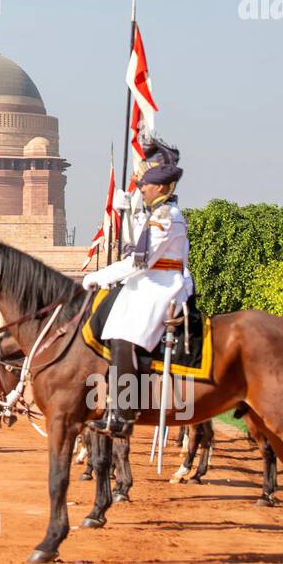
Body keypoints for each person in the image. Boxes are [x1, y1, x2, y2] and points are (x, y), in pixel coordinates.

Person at [81, 137, 191, 438]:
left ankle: (124, 411)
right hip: (150, 281)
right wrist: (126, 209)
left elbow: (139, 261)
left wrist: (100, 275)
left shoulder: (167, 218)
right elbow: (134, 241)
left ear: (162, 187)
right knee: (114, 320)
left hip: (164, 284)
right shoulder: (156, 214)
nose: (141, 187)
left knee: (125, 333)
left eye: (146, 184)